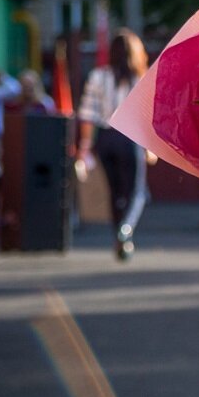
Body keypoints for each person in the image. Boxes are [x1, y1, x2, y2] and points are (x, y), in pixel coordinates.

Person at [77, 29, 152, 261]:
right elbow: (148, 115)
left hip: (106, 138)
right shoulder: (142, 78)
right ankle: (125, 229)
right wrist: (150, 146)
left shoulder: (98, 76)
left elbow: (88, 114)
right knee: (137, 191)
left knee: (115, 191)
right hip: (131, 138)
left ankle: (118, 235)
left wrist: (85, 147)